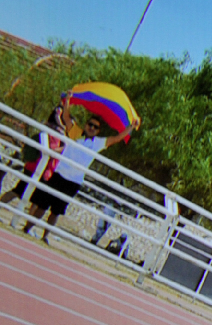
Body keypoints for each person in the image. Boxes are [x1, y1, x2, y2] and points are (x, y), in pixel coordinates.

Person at [24, 106, 134, 243]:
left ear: (98, 131)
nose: (92, 128)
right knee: (42, 205)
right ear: (86, 124)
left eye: (95, 127)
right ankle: (27, 228)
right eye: (90, 124)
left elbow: (117, 138)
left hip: (73, 182)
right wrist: (68, 101)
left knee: (56, 211)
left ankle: (45, 236)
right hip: (58, 175)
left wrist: (130, 127)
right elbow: (66, 117)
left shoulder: (98, 143)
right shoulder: (75, 133)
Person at [2, 104, 68, 224]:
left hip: (40, 169)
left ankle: (24, 223)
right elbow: (51, 150)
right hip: (37, 168)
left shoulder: (54, 132)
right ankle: (20, 221)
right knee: (19, 191)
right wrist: (63, 148)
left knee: (34, 198)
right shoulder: (55, 133)